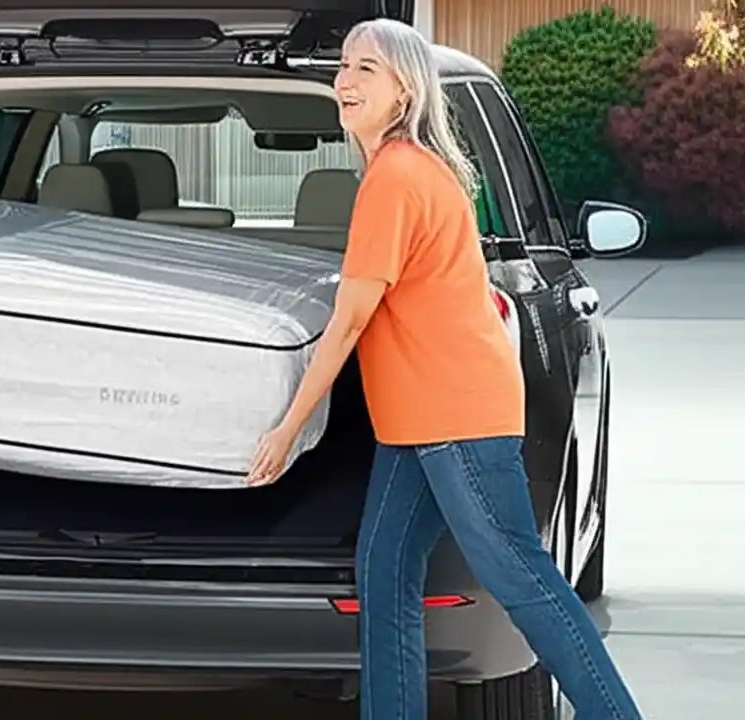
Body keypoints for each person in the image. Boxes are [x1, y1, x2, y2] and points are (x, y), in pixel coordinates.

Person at [245, 17, 643, 720]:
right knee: (386, 571)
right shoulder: (411, 170)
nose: (344, 80)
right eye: (343, 66)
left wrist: (287, 428)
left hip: (454, 417)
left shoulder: (395, 178)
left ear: (404, 91)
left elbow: (349, 321)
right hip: (419, 422)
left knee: (520, 576)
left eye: (365, 69)